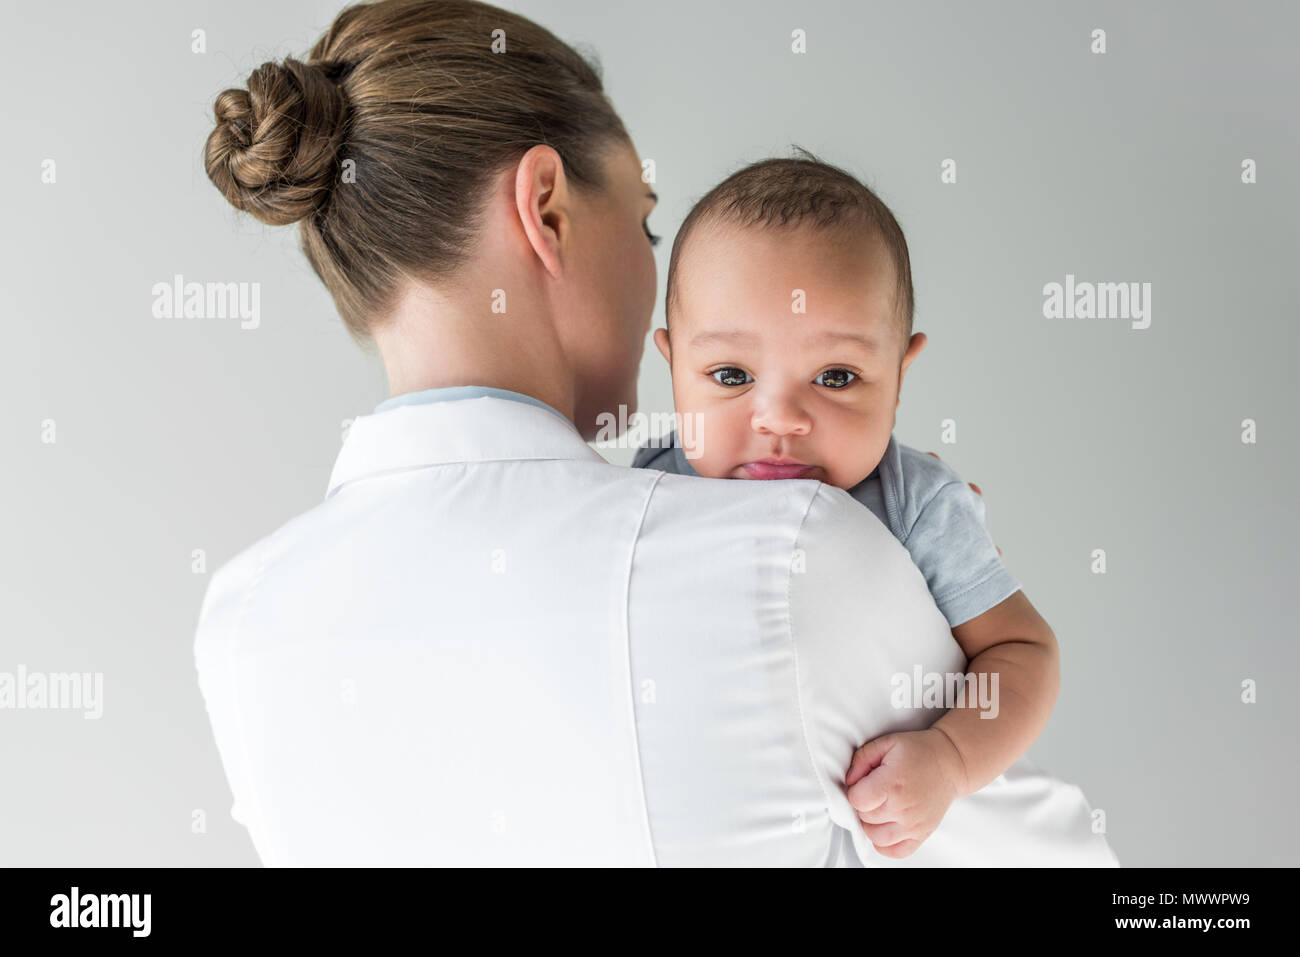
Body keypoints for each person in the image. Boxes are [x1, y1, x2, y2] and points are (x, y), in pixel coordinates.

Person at [194, 0, 1117, 866]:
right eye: (646, 225)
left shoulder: (239, 623)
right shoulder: (790, 550)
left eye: (835, 375)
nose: (778, 415)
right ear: (546, 208)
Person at [633, 154, 1067, 857]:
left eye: (835, 376)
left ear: (899, 376)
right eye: (730, 374)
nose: (778, 415)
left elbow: (1025, 651)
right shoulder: (658, 477)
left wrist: (950, 757)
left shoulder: (918, 503)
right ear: (673, 365)